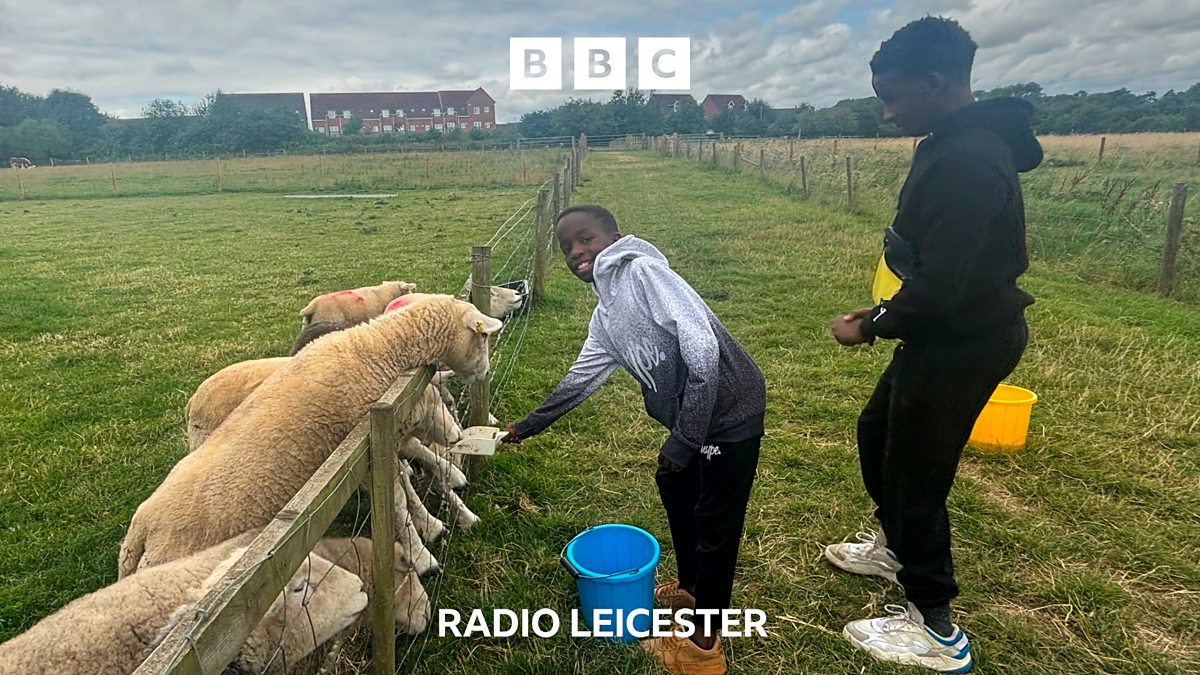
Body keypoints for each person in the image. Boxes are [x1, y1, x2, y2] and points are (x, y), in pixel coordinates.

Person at [826, 16, 1042, 674]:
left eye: (892, 96)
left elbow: (947, 286)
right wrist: (889, 310)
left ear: (934, 82)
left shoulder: (970, 159)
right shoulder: (951, 142)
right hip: (939, 330)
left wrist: (872, 325)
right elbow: (941, 268)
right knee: (878, 432)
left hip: (963, 340)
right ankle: (895, 547)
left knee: (916, 473)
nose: (887, 111)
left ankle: (936, 627)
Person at [502, 204, 766, 675]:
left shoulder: (643, 273)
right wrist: (528, 425)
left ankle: (703, 648)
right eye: (566, 247)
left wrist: (685, 439)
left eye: (585, 239)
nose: (576, 252)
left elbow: (702, 347)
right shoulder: (606, 317)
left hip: (729, 412)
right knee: (677, 487)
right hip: (695, 422)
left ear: (614, 237)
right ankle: (691, 590)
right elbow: (582, 377)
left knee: (715, 525)